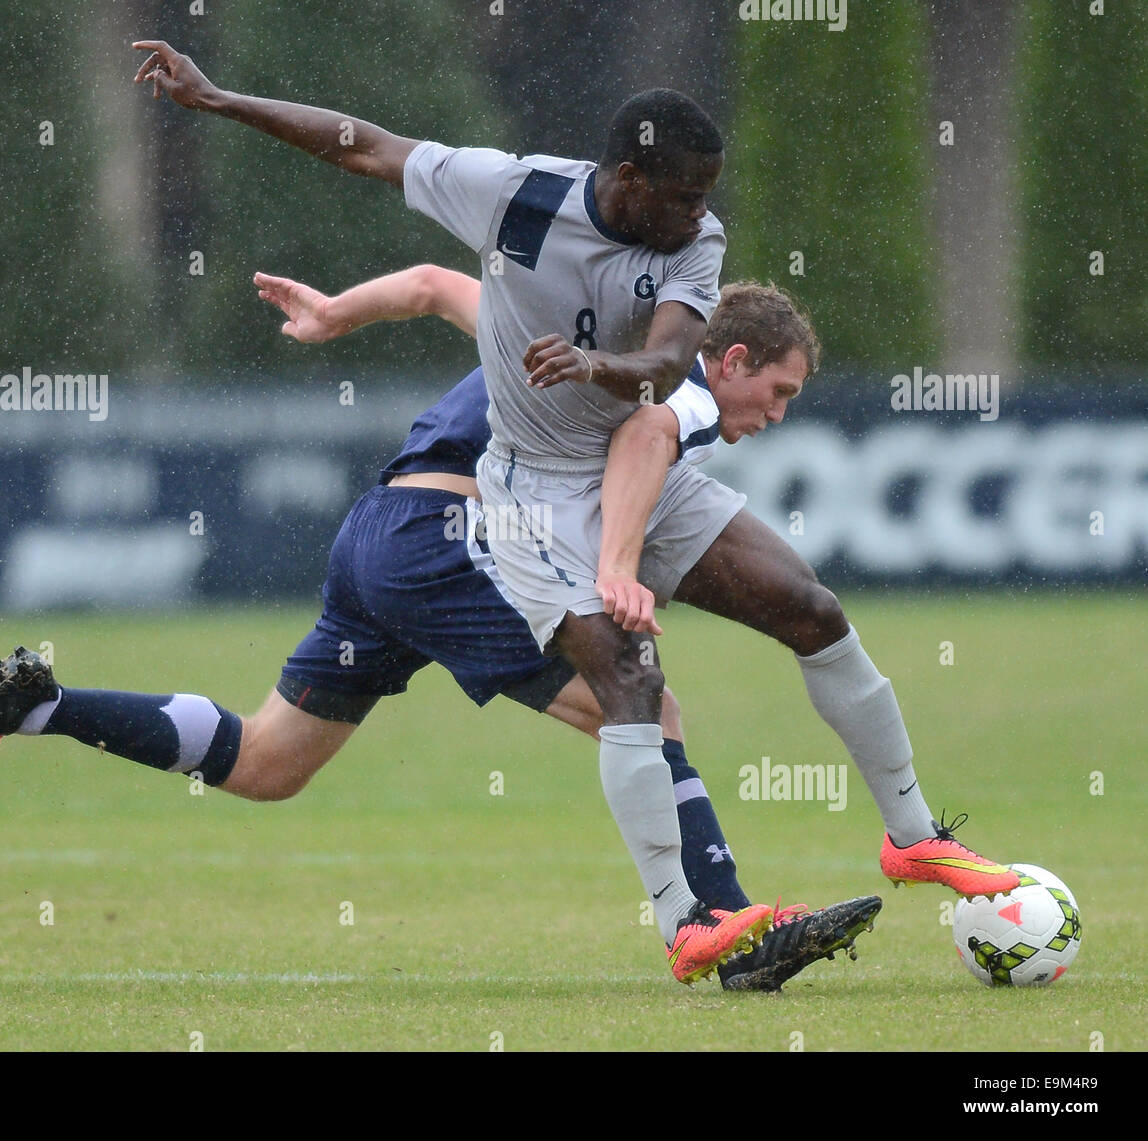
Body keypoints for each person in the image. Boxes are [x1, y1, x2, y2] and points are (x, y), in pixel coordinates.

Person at [122, 42, 1019, 957]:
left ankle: (913, 838)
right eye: (687, 195)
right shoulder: (512, 194)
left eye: (709, 196)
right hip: (532, 496)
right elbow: (366, 146)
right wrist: (222, 99)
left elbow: (664, 375)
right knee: (629, 683)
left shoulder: (694, 247)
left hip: (636, 466)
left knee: (811, 607)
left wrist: (598, 372)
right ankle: (690, 921)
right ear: (630, 179)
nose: (704, 216)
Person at [0, 265, 880, 992]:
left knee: (267, 760)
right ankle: (714, 922)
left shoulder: (554, 325)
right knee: (645, 700)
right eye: (778, 392)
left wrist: (331, 313)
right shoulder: (634, 372)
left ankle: (41, 704)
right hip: (445, 540)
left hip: (379, 535)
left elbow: (429, 281)